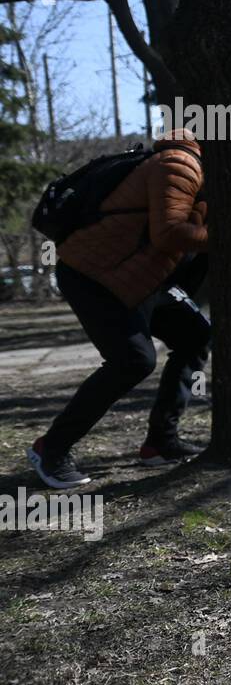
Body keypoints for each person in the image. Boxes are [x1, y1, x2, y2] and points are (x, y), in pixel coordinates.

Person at [27, 128, 212, 489]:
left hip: (142, 277)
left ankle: (161, 442)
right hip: (93, 276)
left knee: (195, 335)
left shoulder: (197, 172)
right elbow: (169, 233)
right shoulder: (178, 163)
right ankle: (51, 448)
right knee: (133, 361)